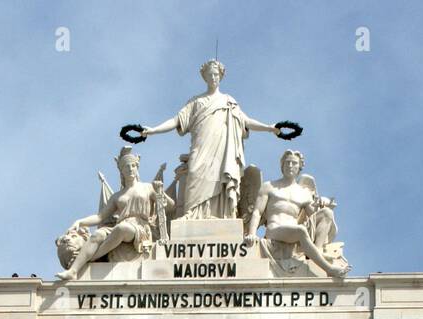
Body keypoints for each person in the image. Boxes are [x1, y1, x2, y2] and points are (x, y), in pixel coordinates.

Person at [139, 59, 283, 219]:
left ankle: (222, 215)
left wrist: (269, 128)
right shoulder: (196, 102)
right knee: (194, 174)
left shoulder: (229, 101)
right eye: (210, 75)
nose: (213, 77)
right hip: (201, 149)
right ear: (204, 77)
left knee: (221, 177)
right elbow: (175, 121)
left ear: (220, 76)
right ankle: (191, 214)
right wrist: (153, 130)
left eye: (216, 74)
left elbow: (246, 121)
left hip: (223, 151)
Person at [56, 147, 174, 281]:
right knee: (97, 234)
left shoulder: (148, 187)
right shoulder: (117, 196)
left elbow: (170, 205)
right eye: (126, 167)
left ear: (137, 168)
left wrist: (160, 192)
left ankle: (92, 258)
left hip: (140, 228)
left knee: (121, 229)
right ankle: (73, 271)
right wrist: (80, 222)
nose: (130, 169)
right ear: (121, 171)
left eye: (133, 166)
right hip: (122, 224)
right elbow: (100, 217)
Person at [246, 150, 348, 277]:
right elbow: (257, 211)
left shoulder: (303, 193)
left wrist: (324, 202)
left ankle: (317, 252)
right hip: (275, 230)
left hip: (295, 232)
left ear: (299, 167)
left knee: (327, 213)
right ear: (282, 165)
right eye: (287, 162)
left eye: (294, 163)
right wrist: (252, 234)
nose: (290, 166)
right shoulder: (269, 186)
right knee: (300, 230)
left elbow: (314, 215)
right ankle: (328, 268)